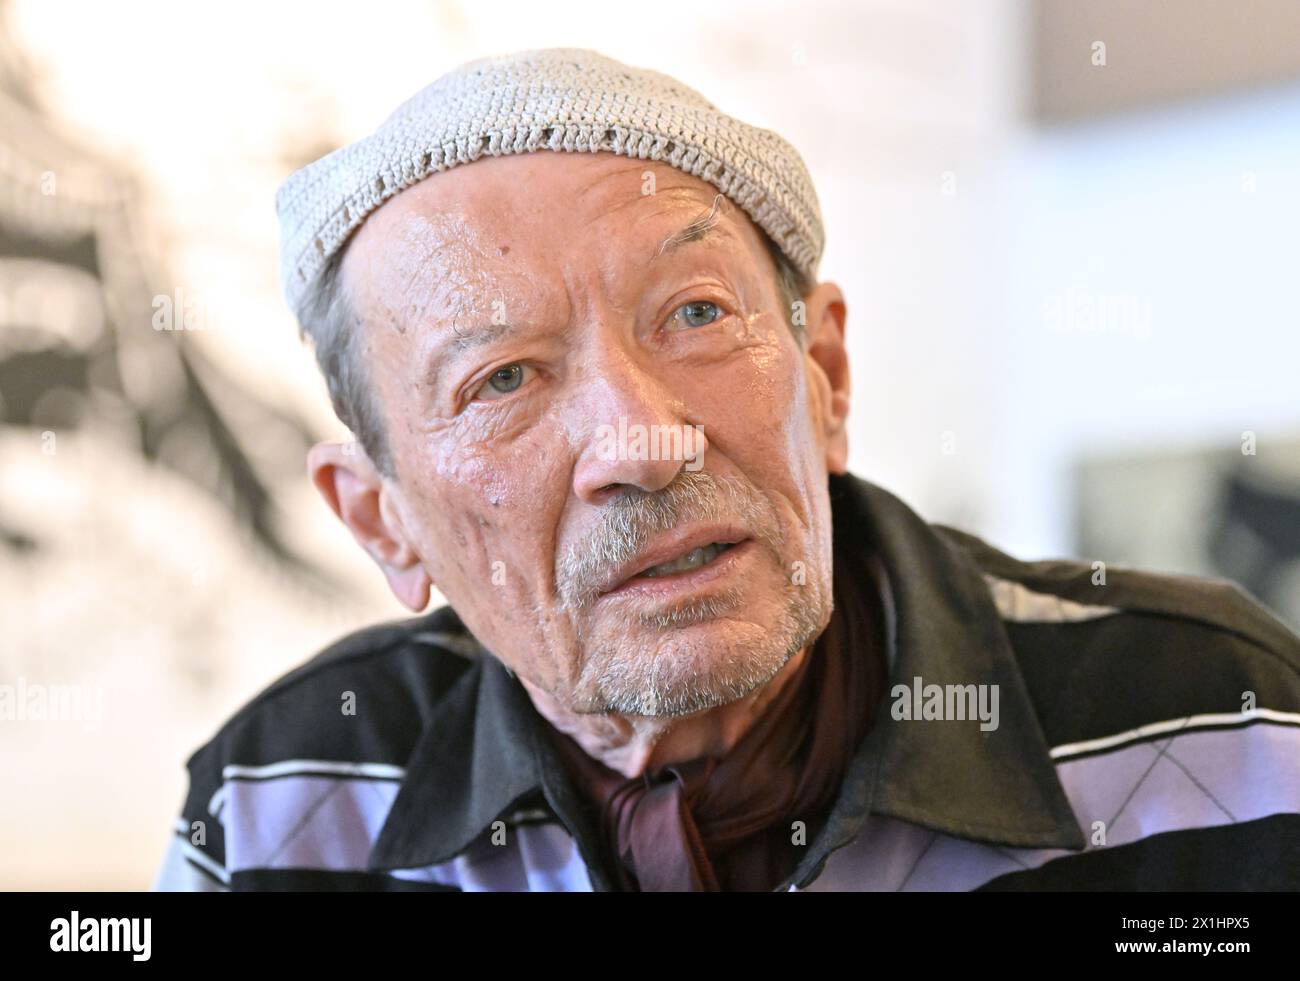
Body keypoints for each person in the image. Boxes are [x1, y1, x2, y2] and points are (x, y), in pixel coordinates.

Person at [154, 48, 1300, 892]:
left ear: (827, 377)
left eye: (697, 314)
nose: (642, 443)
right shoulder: (276, 809)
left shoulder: (1221, 729)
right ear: (382, 520)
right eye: (500, 379)